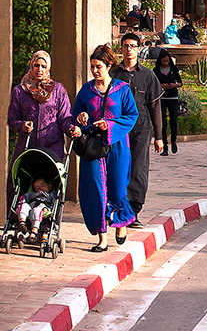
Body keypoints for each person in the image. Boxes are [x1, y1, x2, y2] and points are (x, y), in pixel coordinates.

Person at [74, 44, 138, 251]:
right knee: (95, 191)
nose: (94, 70)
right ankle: (102, 238)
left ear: (108, 66)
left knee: (118, 189)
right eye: (92, 66)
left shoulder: (122, 89)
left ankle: (121, 222)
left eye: (98, 66)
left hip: (117, 145)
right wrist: (80, 117)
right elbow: (76, 114)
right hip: (93, 148)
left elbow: (131, 116)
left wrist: (110, 125)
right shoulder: (86, 90)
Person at [7, 51, 74, 206]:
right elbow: (12, 119)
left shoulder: (58, 90)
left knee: (51, 183)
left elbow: (65, 118)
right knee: (19, 182)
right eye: (36, 65)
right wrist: (21, 125)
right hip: (27, 145)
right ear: (31, 65)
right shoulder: (19, 91)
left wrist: (71, 129)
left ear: (48, 68)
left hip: (52, 146)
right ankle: (18, 220)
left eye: (43, 66)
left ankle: (46, 223)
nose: (39, 69)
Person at [112, 32, 163, 222]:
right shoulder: (113, 74)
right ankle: (116, 208)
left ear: (138, 48)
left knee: (138, 169)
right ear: (121, 49)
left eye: (132, 46)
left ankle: (133, 211)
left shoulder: (148, 76)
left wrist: (159, 137)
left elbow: (155, 107)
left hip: (141, 129)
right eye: (125, 46)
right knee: (118, 168)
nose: (128, 49)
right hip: (117, 129)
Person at [153, 49, 183, 156]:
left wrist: (174, 85)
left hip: (173, 97)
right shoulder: (156, 70)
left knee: (173, 121)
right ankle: (165, 147)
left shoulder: (173, 69)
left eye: (167, 61)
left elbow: (180, 83)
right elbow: (154, 84)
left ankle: (173, 141)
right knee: (163, 123)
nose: (165, 63)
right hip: (162, 97)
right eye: (163, 61)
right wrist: (162, 85)